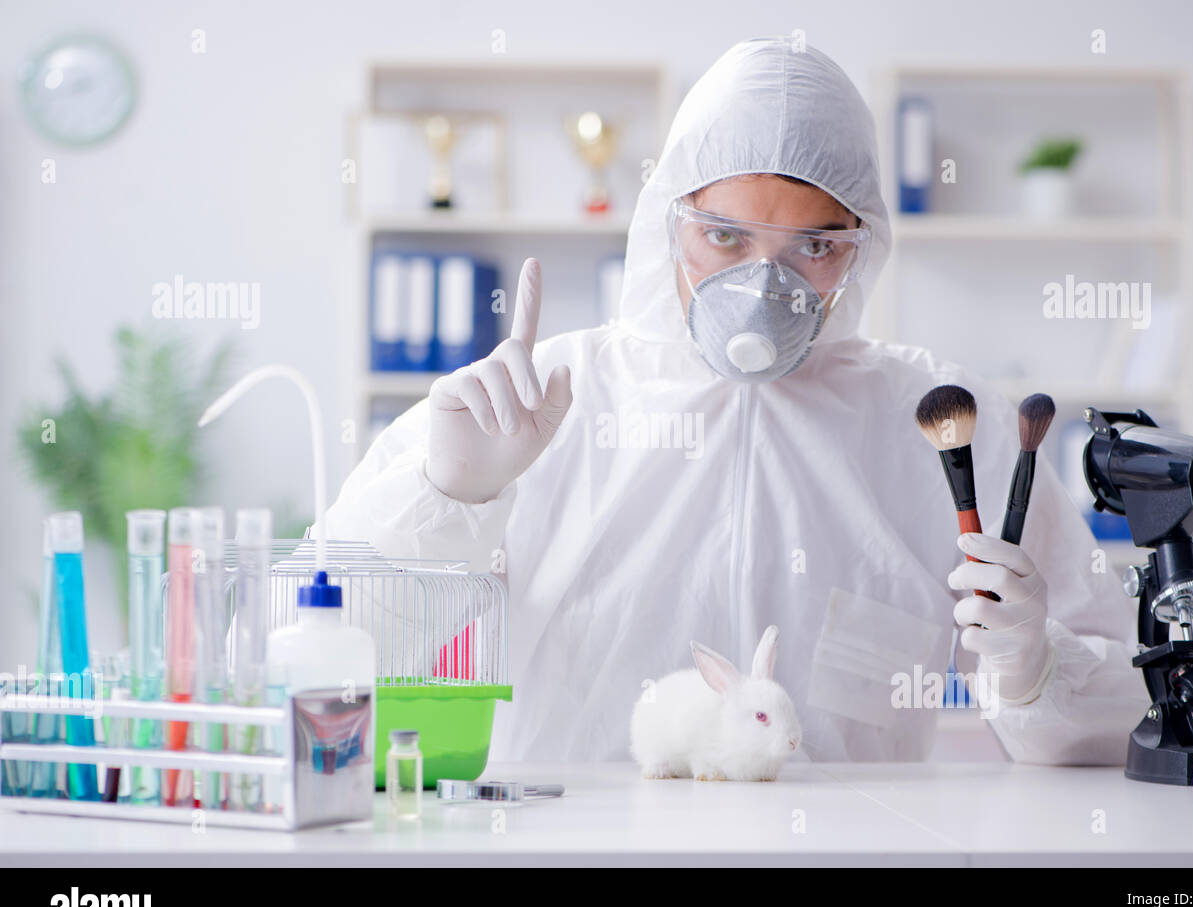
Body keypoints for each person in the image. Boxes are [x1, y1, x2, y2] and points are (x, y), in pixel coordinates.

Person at [322, 36, 1149, 764]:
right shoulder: (541, 404)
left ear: (860, 249)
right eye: (725, 236)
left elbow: (1130, 718)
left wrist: (1033, 665)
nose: (764, 285)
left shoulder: (942, 427)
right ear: (668, 223)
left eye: (814, 245)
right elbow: (326, 655)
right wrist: (446, 500)